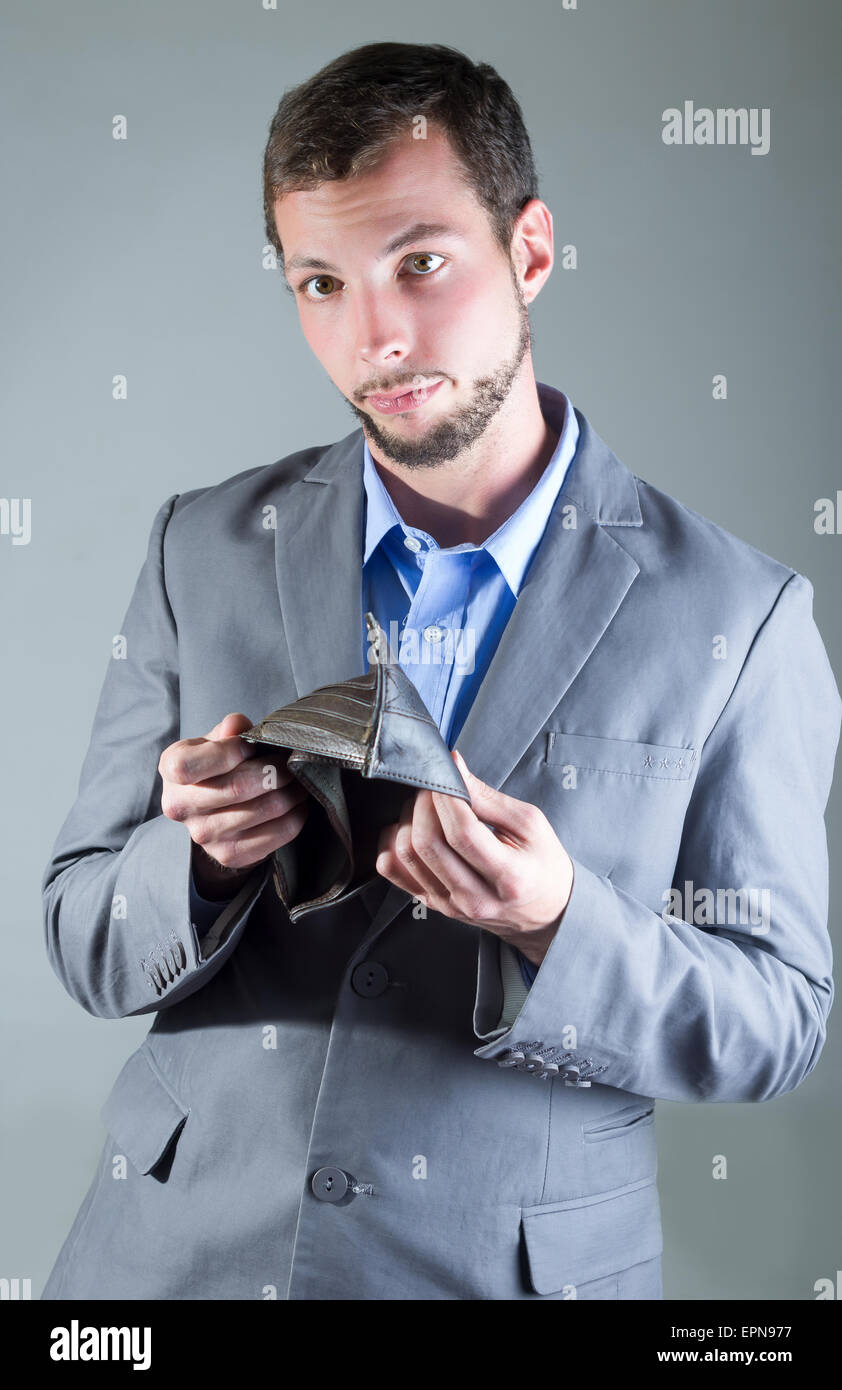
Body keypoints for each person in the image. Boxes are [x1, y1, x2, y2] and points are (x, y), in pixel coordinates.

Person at [41, 41, 840, 1302]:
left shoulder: (739, 617)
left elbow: (777, 1022)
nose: (376, 335)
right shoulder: (200, 546)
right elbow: (78, 929)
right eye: (319, 281)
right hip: (162, 1275)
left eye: (419, 263)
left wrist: (557, 920)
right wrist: (191, 862)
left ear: (528, 251)